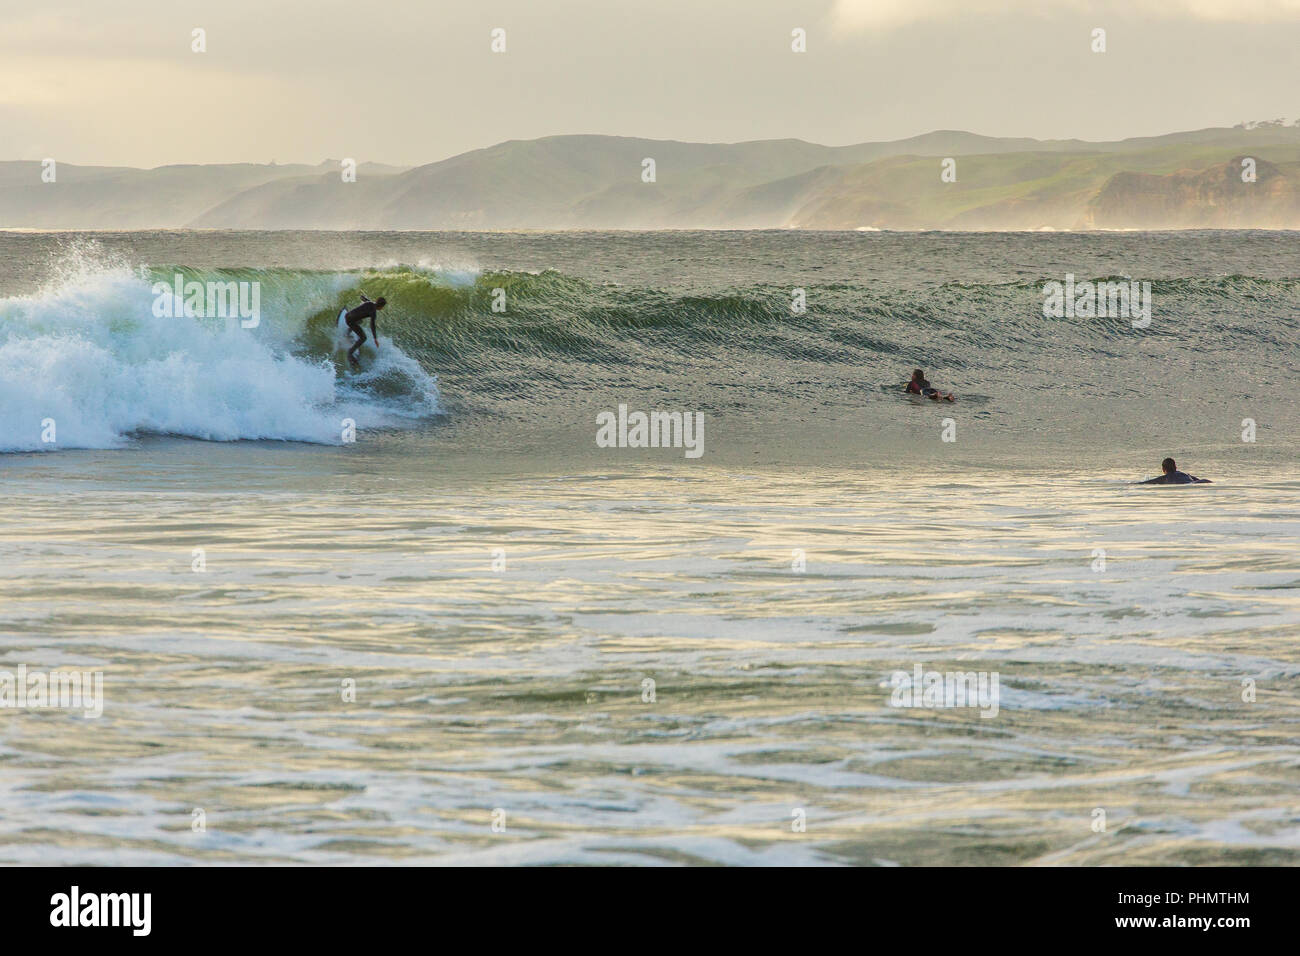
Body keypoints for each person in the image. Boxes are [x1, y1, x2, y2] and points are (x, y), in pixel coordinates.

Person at [344, 293, 386, 366]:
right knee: (363, 338)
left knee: (360, 321)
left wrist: (362, 296)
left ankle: (347, 333)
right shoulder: (373, 312)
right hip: (350, 321)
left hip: (347, 315)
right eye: (383, 307)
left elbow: (363, 298)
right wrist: (375, 338)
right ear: (381, 307)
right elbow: (372, 325)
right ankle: (350, 353)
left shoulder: (370, 303)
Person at [1140, 457, 1211, 484]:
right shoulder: (1185, 475)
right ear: (1176, 467)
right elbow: (1198, 480)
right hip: (1192, 482)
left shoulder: (1163, 479)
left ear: (1163, 469)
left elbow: (1145, 483)